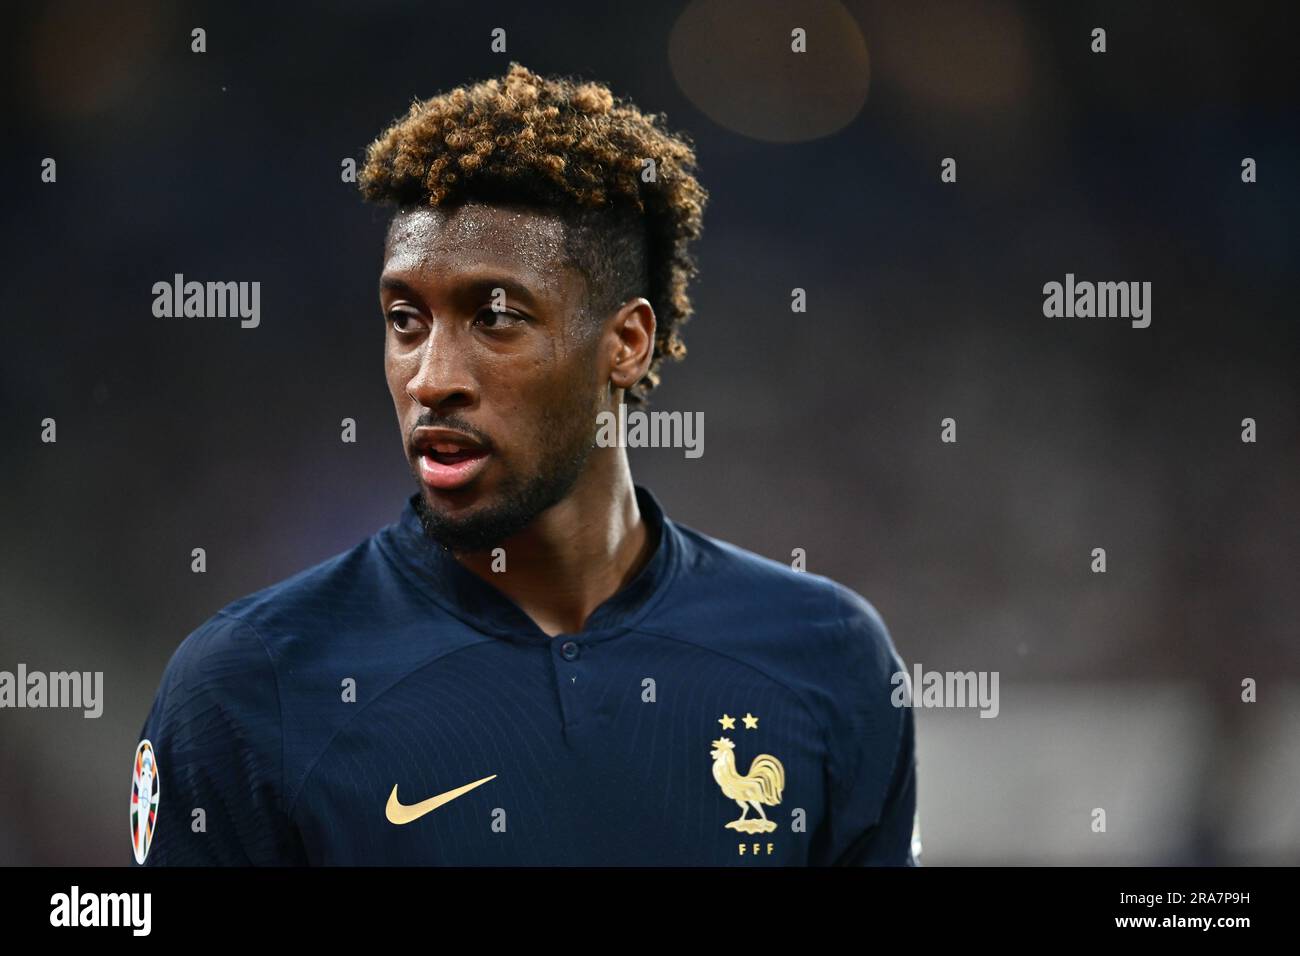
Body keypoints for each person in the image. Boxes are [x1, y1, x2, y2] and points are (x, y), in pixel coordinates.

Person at [131, 62, 917, 866]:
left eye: (495, 317)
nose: (432, 377)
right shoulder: (248, 686)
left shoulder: (827, 654)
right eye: (406, 320)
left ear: (627, 342)